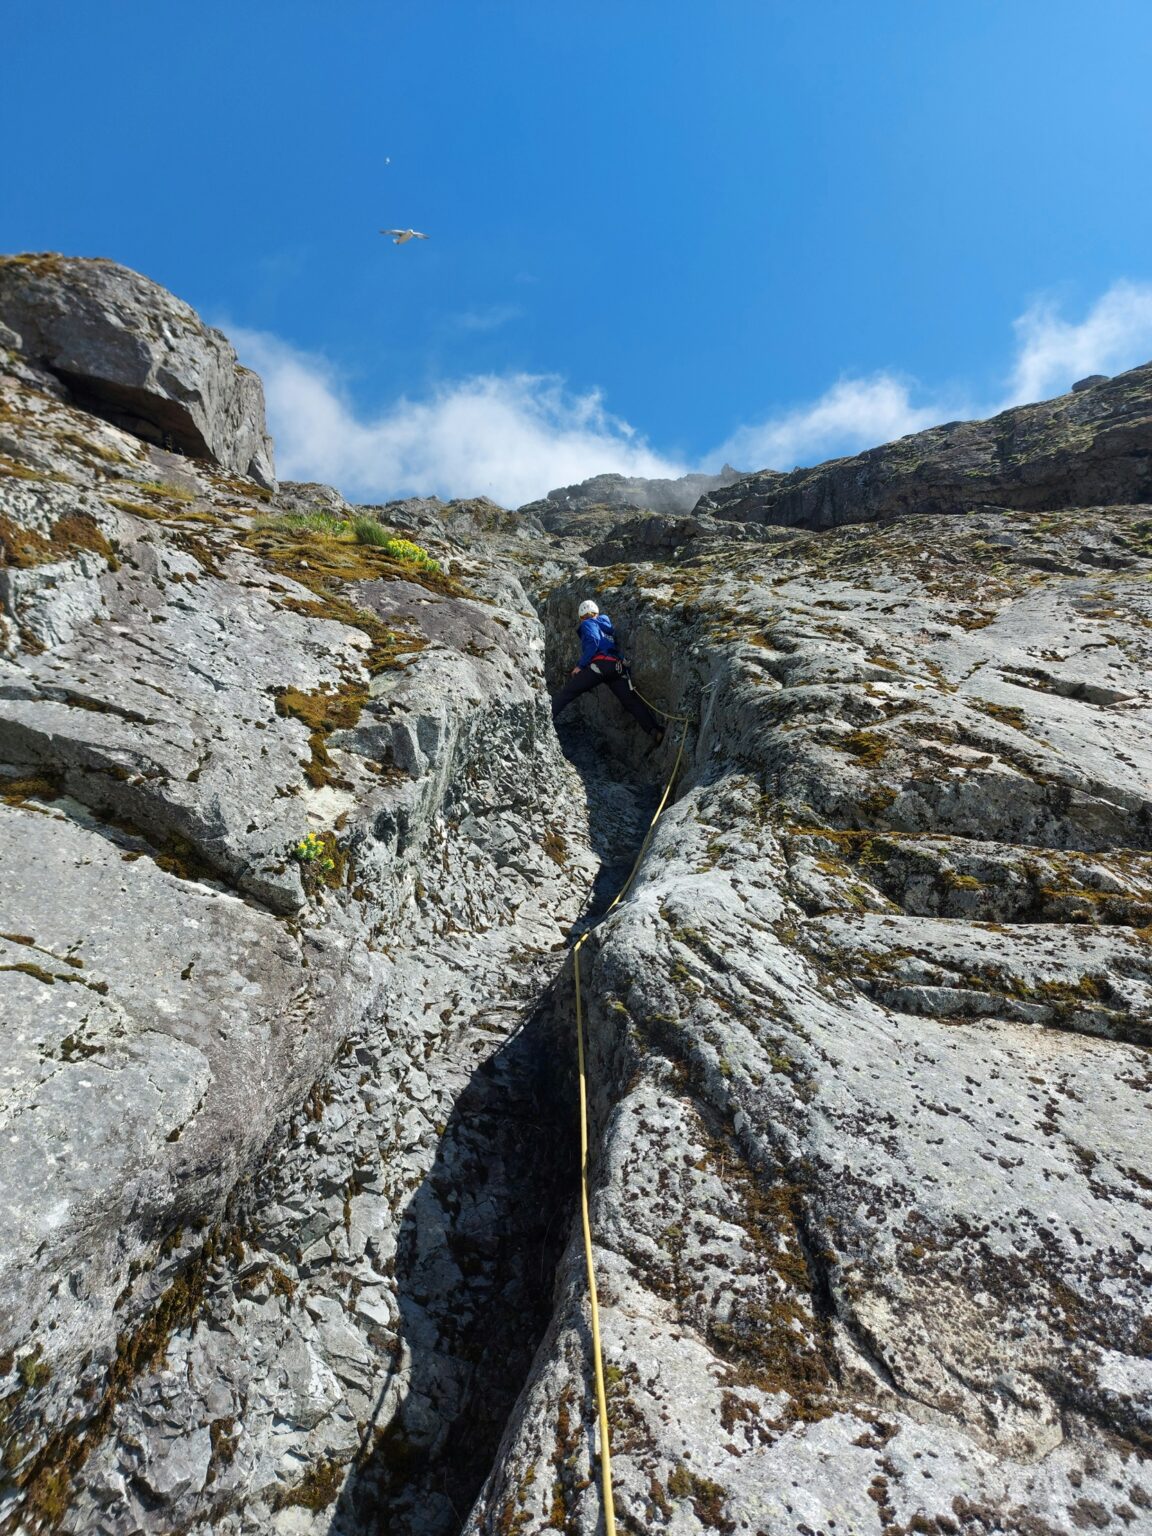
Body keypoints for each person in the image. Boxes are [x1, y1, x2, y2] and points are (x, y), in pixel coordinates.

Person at [551, 599, 665, 745]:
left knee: (568, 692)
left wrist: (580, 666)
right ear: (596, 612)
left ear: (581, 616)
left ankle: (545, 718)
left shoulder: (587, 623)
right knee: (631, 701)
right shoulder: (606, 627)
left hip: (600, 665)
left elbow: (594, 641)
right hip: (616, 667)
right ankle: (654, 731)